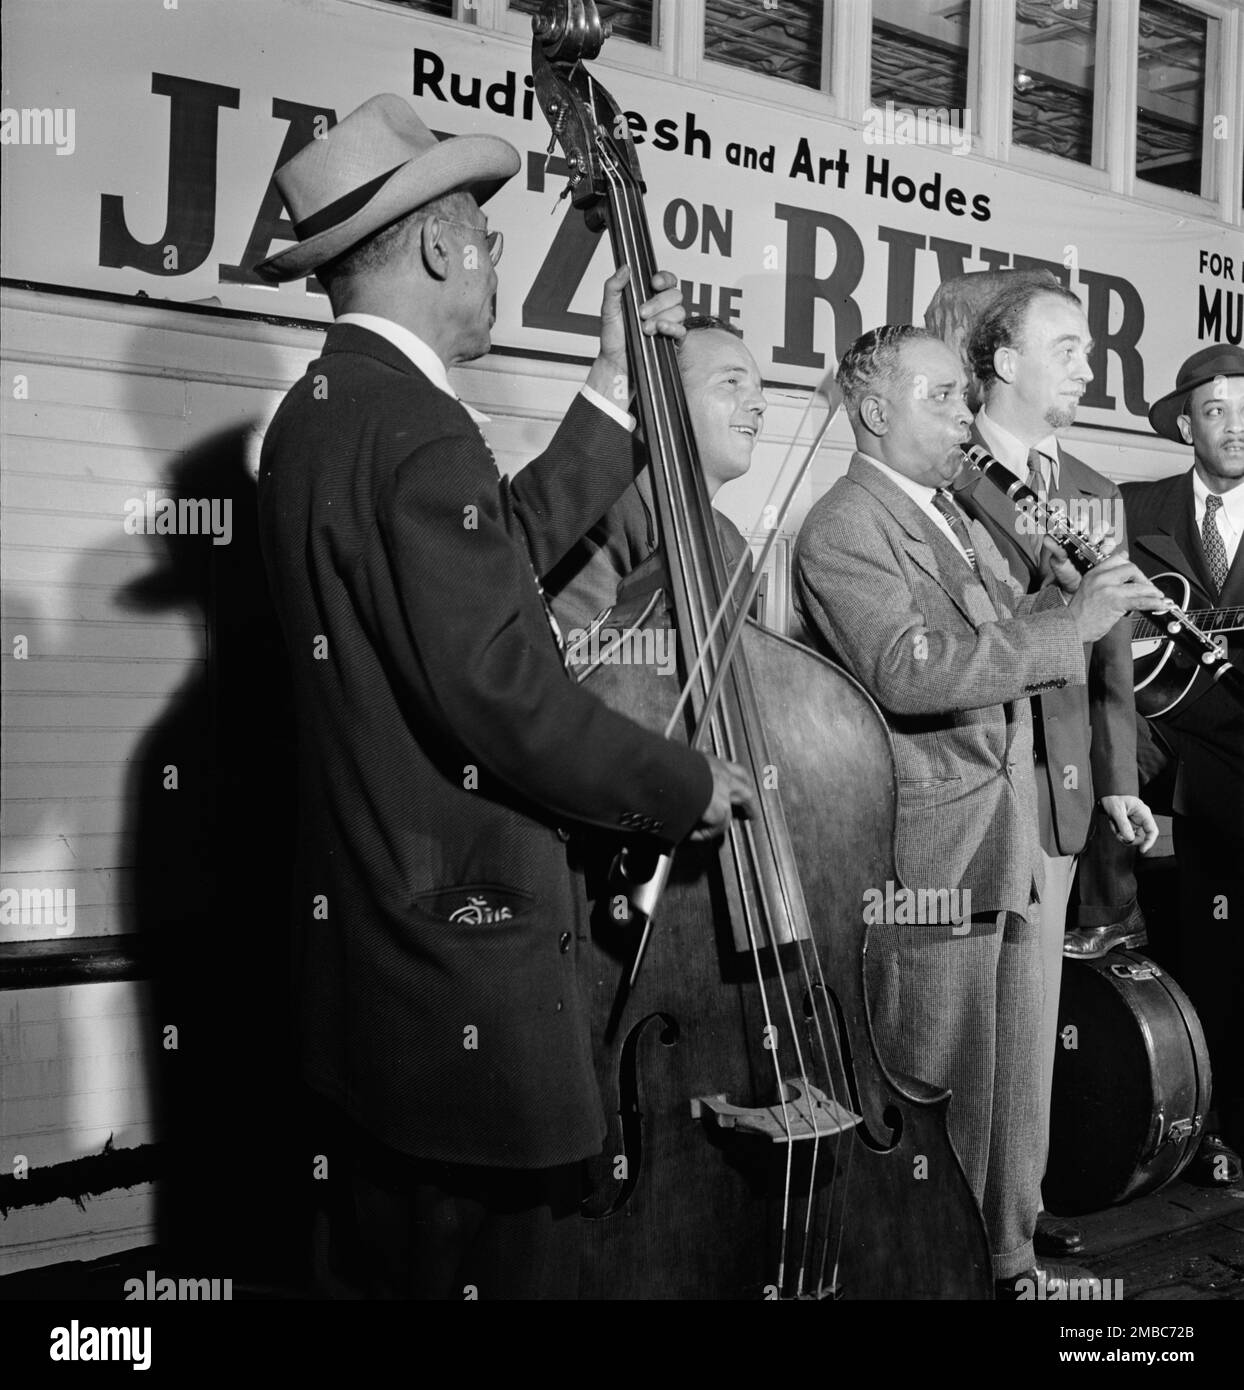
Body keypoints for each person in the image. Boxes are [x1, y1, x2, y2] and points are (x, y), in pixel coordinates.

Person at [253, 93, 754, 1299]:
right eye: (483, 239)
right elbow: (498, 691)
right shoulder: (420, 430)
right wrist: (679, 780)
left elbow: (475, 578)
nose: (491, 261)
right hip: (456, 976)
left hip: (369, 966)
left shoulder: (324, 416)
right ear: (439, 247)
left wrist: (608, 390)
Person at [793, 325, 1166, 1297]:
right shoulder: (844, 525)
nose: (965, 417)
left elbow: (993, 641)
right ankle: (937, 1272)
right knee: (943, 1080)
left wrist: (1065, 593)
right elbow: (910, 670)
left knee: (1013, 1082)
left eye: (965, 396)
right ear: (874, 410)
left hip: (1010, 834)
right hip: (932, 850)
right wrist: (1070, 622)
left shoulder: (953, 512)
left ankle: (1010, 1260)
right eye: (942, 398)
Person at [949, 278, 1158, 1257]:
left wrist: (1116, 779)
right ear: (1003, 362)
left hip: (1059, 790)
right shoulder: (948, 472)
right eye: (1066, 348)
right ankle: (973, 1233)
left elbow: (1111, 658)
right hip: (969, 783)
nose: (1087, 367)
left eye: (1089, 349)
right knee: (968, 1032)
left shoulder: (1092, 487)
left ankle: (1013, 1226)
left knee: (1031, 1031)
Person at [1120, 343, 1244, 1186]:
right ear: (1186, 427)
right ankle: (1196, 1127)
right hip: (1166, 761)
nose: (1234, 428)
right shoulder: (1132, 506)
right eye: (1215, 411)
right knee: (1197, 954)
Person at [546, 315, 767, 636]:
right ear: (662, 399)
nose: (760, 403)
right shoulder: (592, 519)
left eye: (759, 389)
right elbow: (595, 660)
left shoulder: (733, 546)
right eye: (731, 381)